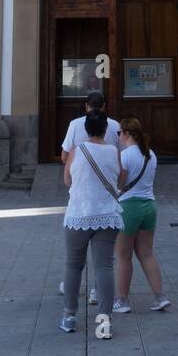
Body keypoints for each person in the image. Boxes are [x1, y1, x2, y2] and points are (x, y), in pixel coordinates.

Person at [60, 110, 126, 336]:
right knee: (104, 267)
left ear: (85, 129)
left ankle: (69, 316)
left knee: (73, 266)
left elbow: (67, 180)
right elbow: (121, 180)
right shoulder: (113, 151)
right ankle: (104, 322)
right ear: (106, 130)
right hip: (107, 214)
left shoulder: (76, 151)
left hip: (79, 213)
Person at [113, 118, 170, 313]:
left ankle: (122, 300)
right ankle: (160, 296)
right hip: (149, 205)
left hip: (129, 207)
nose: (118, 136)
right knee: (146, 253)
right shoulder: (150, 154)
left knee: (123, 255)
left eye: (119, 133)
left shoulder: (125, 155)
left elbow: (120, 184)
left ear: (127, 133)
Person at [61, 89, 120, 162]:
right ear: (104, 106)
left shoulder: (75, 124)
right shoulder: (116, 125)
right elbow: (121, 154)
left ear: (86, 106)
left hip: (81, 172)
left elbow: (64, 157)